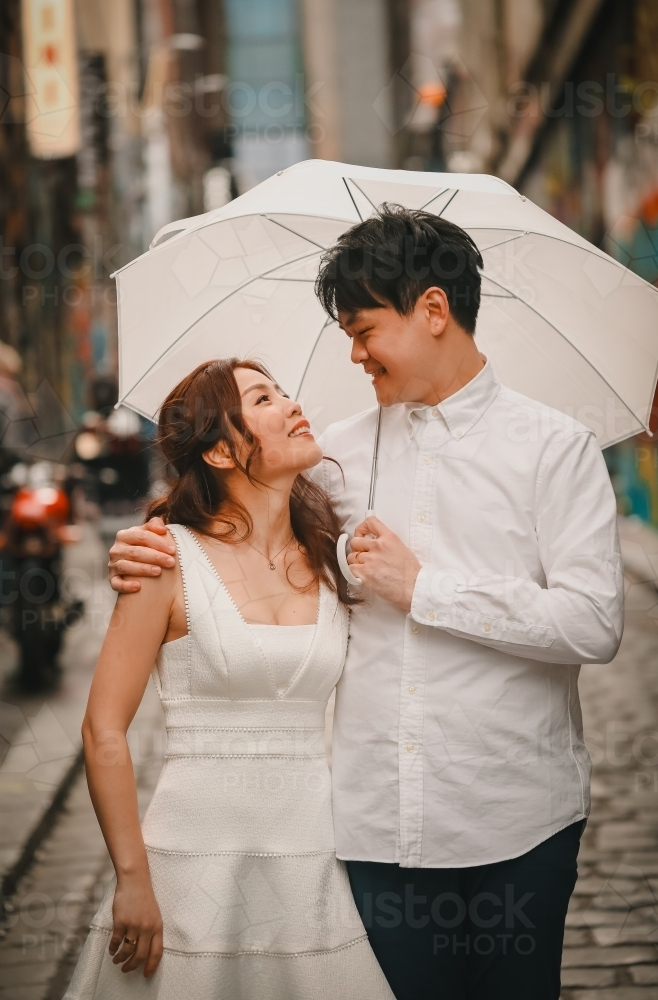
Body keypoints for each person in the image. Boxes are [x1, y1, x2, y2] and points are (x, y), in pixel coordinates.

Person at [108, 207, 624, 1000]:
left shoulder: (555, 449)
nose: (352, 354)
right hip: (373, 830)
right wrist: (147, 541)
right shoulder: (332, 456)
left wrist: (425, 591)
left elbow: (593, 623)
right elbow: (233, 523)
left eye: (363, 329)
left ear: (431, 310)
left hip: (517, 821)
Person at [65, 359, 394, 999]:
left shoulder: (332, 558)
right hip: (189, 861)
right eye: (264, 398)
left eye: (285, 390)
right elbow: (103, 727)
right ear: (221, 449)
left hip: (311, 858)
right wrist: (133, 877)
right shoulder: (165, 561)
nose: (292, 403)